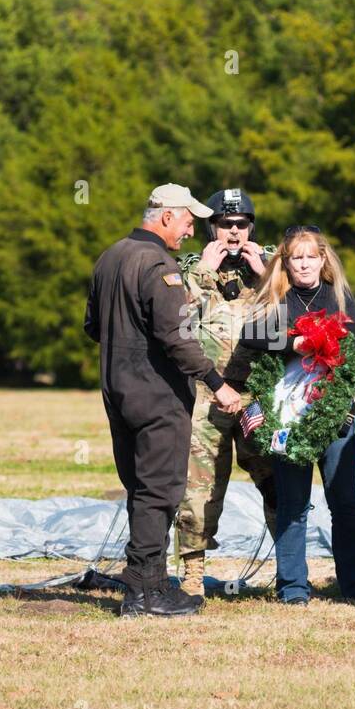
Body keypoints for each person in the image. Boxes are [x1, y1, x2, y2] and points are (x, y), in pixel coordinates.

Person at [83, 183, 243, 618]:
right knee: (161, 491)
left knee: (140, 486)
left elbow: (93, 326)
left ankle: (143, 581)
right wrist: (218, 382)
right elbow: (178, 338)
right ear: (167, 216)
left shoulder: (110, 257)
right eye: (189, 221)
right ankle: (146, 595)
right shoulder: (158, 263)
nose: (192, 231)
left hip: (116, 391)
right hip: (156, 395)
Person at [240, 226, 355, 605]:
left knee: (345, 501)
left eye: (310, 256)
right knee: (292, 504)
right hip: (289, 417)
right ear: (286, 262)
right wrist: (295, 341)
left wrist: (328, 343)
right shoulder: (276, 298)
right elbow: (249, 334)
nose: (303, 264)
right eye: (296, 257)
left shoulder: (339, 296)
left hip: (335, 413)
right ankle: (294, 588)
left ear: (323, 259)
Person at [173, 189, 278, 596]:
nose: (234, 233)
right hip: (206, 397)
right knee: (198, 488)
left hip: (257, 398)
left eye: (241, 224)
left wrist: (268, 272)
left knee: (274, 482)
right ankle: (193, 575)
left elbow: (299, 308)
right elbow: (177, 326)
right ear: (210, 226)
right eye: (225, 224)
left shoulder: (271, 265)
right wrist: (201, 274)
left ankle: (290, 572)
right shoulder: (189, 267)